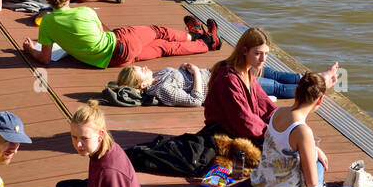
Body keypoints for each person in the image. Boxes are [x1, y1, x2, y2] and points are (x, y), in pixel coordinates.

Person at [22, 0, 220, 69]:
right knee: (157, 32)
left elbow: (45, 58)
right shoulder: (85, 11)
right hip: (121, 42)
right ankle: (195, 35)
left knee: (162, 48)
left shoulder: (47, 23)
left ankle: (206, 44)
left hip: (115, 61)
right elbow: (99, 32)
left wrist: (30, 49)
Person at [250, 71, 362, 187]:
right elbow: (311, 183)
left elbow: (283, 145)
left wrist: (314, 150)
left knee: (318, 160)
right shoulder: (302, 131)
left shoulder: (278, 112)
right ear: (320, 100)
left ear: (296, 92)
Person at [203, 27, 340, 144]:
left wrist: (287, 123)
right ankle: (319, 85)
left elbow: (265, 105)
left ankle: (319, 81)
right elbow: (243, 120)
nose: (263, 59)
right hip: (226, 135)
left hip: (242, 130)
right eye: (258, 54)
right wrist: (277, 135)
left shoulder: (245, 71)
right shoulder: (229, 79)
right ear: (244, 50)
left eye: (266, 54)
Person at [116, 60, 313, 107]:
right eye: (140, 71)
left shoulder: (158, 76)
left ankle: (308, 77)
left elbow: (179, 79)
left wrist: (183, 68)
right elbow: (196, 100)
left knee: (261, 69)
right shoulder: (162, 90)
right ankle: (313, 89)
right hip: (222, 85)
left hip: (216, 73)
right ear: (142, 85)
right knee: (270, 85)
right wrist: (194, 72)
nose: (143, 67)